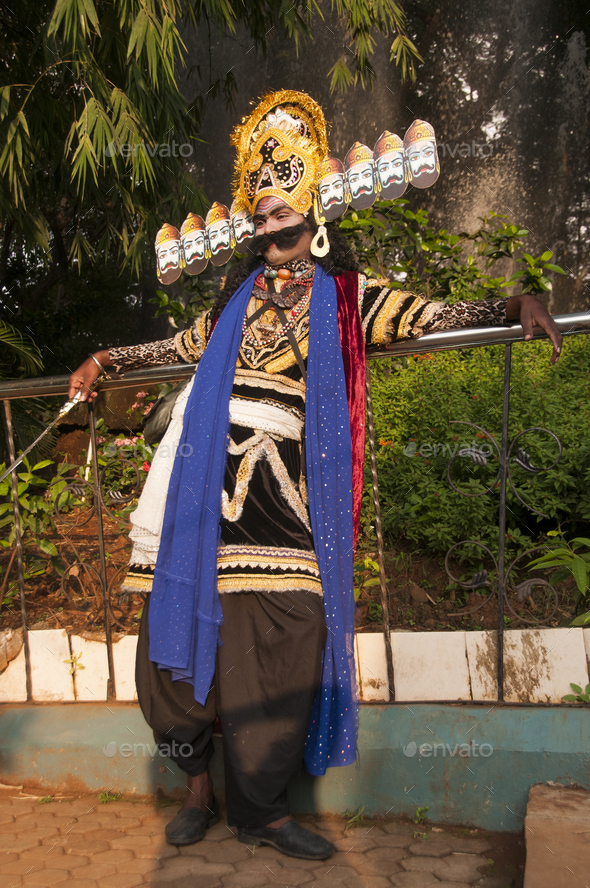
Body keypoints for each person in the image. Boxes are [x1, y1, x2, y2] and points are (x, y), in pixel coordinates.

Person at [69, 90, 562, 862]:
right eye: (260, 218)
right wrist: (105, 359)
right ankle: (196, 788)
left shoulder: (346, 300)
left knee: (289, 642)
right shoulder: (232, 304)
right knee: (175, 645)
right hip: (203, 500)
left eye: (283, 215)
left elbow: (428, 315)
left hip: (286, 505)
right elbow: (172, 348)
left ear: (314, 218)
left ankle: (259, 810)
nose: (272, 228)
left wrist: (509, 302)